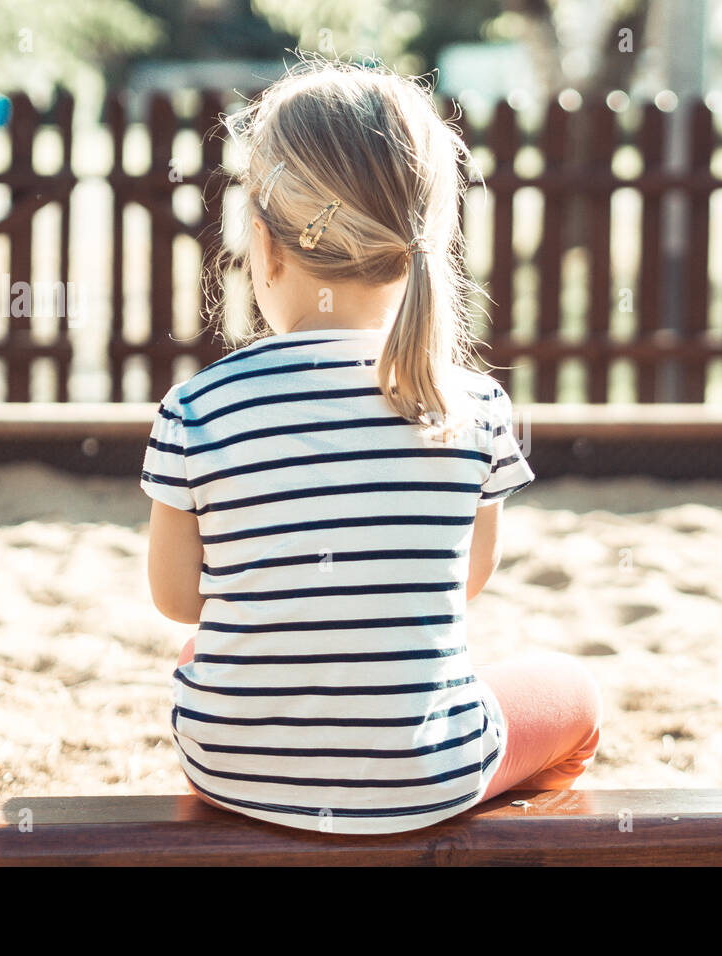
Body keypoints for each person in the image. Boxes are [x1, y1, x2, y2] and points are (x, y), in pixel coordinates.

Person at [141, 58, 601, 835]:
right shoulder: (472, 403)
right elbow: (463, 581)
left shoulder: (198, 405)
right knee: (572, 691)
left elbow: (177, 599)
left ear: (266, 245)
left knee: (201, 648)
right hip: (426, 780)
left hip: (229, 766)